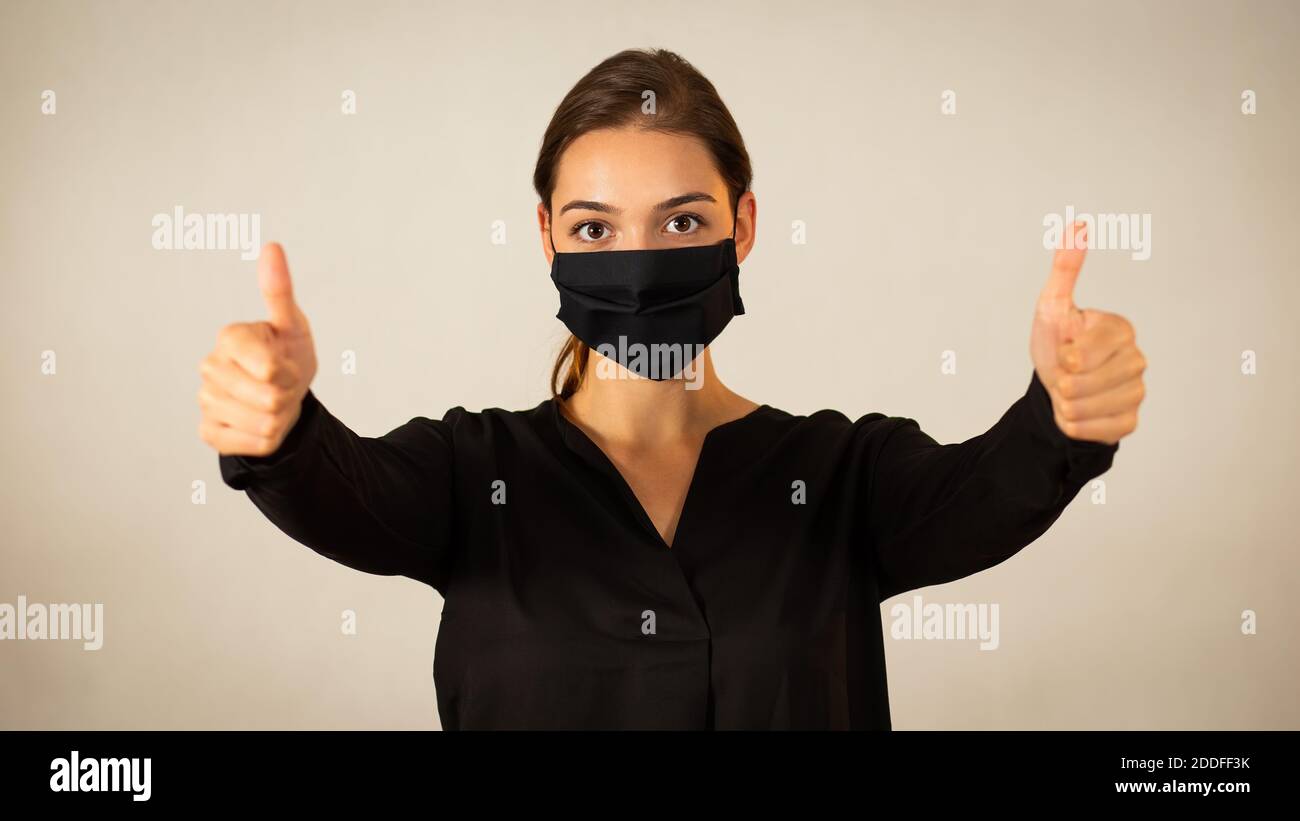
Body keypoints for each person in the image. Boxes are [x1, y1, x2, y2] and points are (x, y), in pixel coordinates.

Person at [197, 48, 1146, 729]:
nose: (642, 264)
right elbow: (338, 489)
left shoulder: (843, 475)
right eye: (597, 229)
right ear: (546, 240)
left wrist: (1062, 415)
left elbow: (988, 490)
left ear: (743, 226)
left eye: (683, 220)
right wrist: (274, 430)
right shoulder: (469, 475)